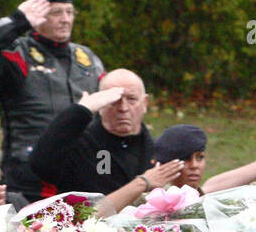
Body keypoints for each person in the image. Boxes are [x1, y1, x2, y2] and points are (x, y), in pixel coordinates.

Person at [0, 0, 104, 199]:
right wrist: (17, 21)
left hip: (84, 175)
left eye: (69, 12)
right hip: (30, 182)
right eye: (56, 13)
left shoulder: (88, 58)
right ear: (37, 16)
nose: (65, 19)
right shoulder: (20, 54)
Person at [27, 69, 182, 200]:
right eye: (114, 100)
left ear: (145, 103)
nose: (123, 108)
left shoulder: (160, 150)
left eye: (132, 99)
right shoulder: (80, 146)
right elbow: (40, 164)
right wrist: (81, 111)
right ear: (100, 104)